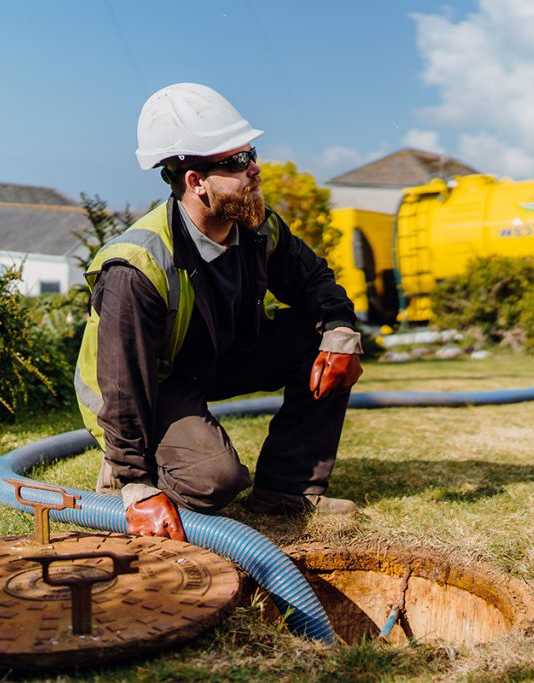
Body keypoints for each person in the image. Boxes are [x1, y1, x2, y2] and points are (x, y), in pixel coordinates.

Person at [74, 83, 363, 541]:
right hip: (153, 384)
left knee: (322, 339)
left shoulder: (255, 228)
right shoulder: (136, 266)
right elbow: (123, 383)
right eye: (237, 162)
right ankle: (121, 470)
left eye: (252, 153)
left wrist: (341, 330)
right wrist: (135, 484)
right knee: (214, 482)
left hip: (216, 357)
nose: (256, 170)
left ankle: (286, 490)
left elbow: (313, 281)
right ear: (196, 181)